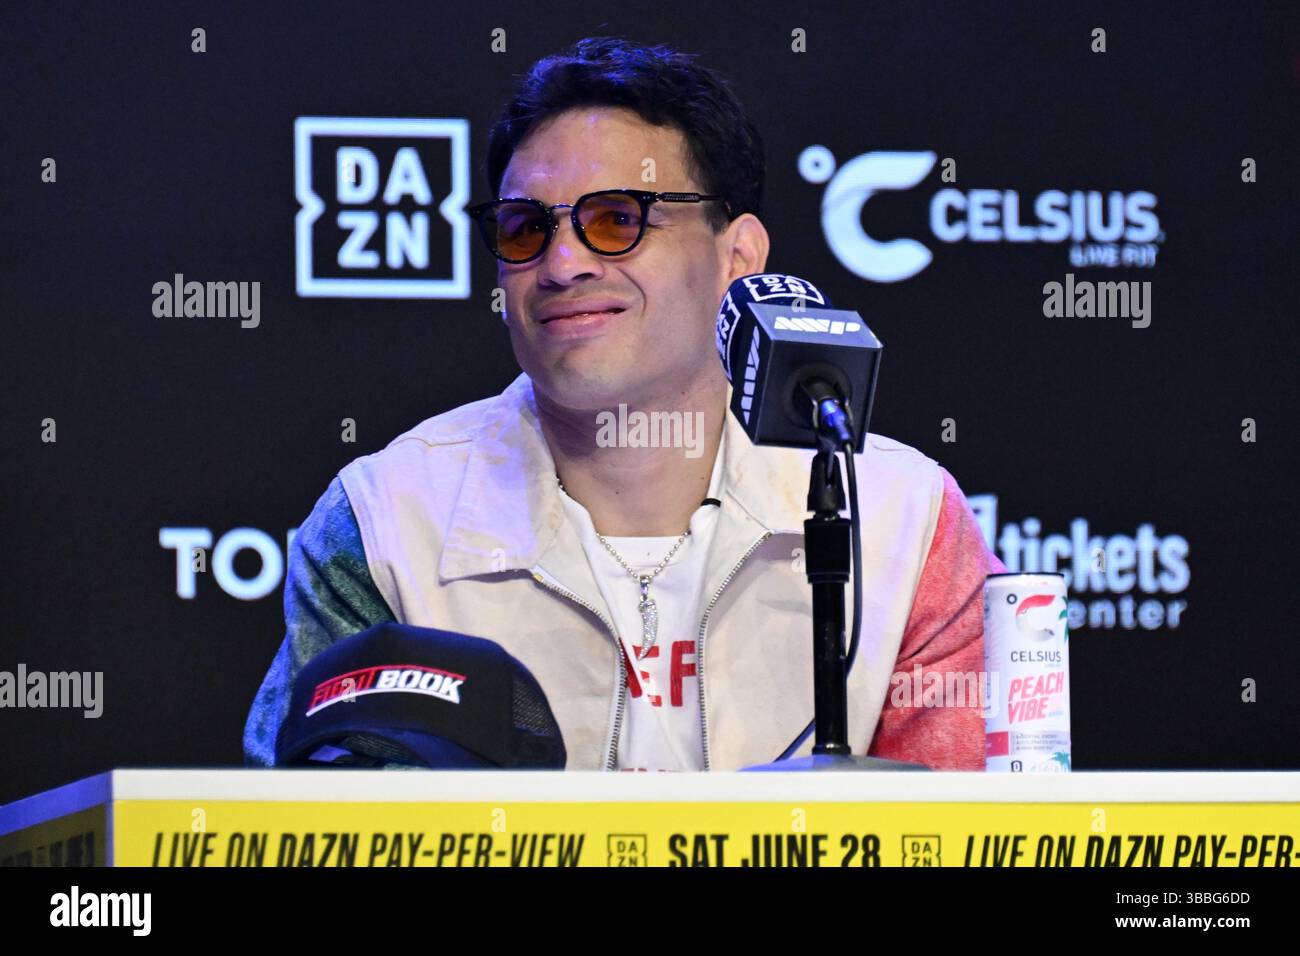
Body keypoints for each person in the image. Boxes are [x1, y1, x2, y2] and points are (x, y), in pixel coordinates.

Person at [244, 36, 1006, 772]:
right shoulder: (384, 521)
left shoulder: (905, 521)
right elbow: (308, 832)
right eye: (524, 228)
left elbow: (967, 838)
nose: (562, 264)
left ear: (736, 257)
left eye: (616, 219)